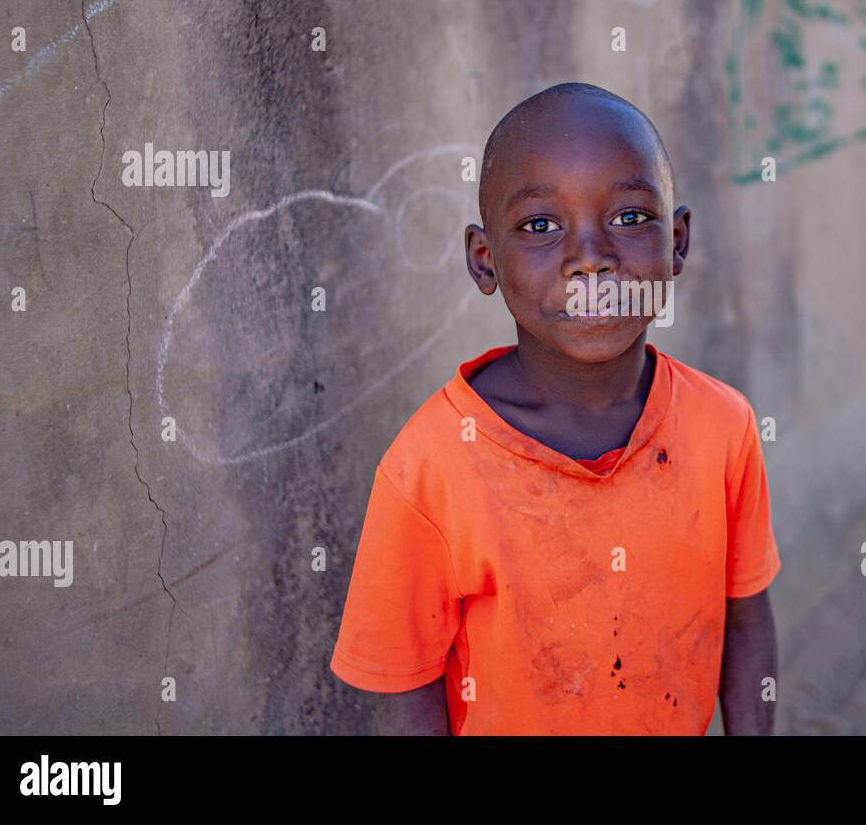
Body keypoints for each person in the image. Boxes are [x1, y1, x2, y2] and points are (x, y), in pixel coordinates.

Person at [329, 82, 781, 734]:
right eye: (540, 226)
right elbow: (404, 696)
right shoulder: (429, 468)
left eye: (629, 218)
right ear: (485, 260)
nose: (590, 259)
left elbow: (747, 619)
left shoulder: (724, 426)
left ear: (677, 242)